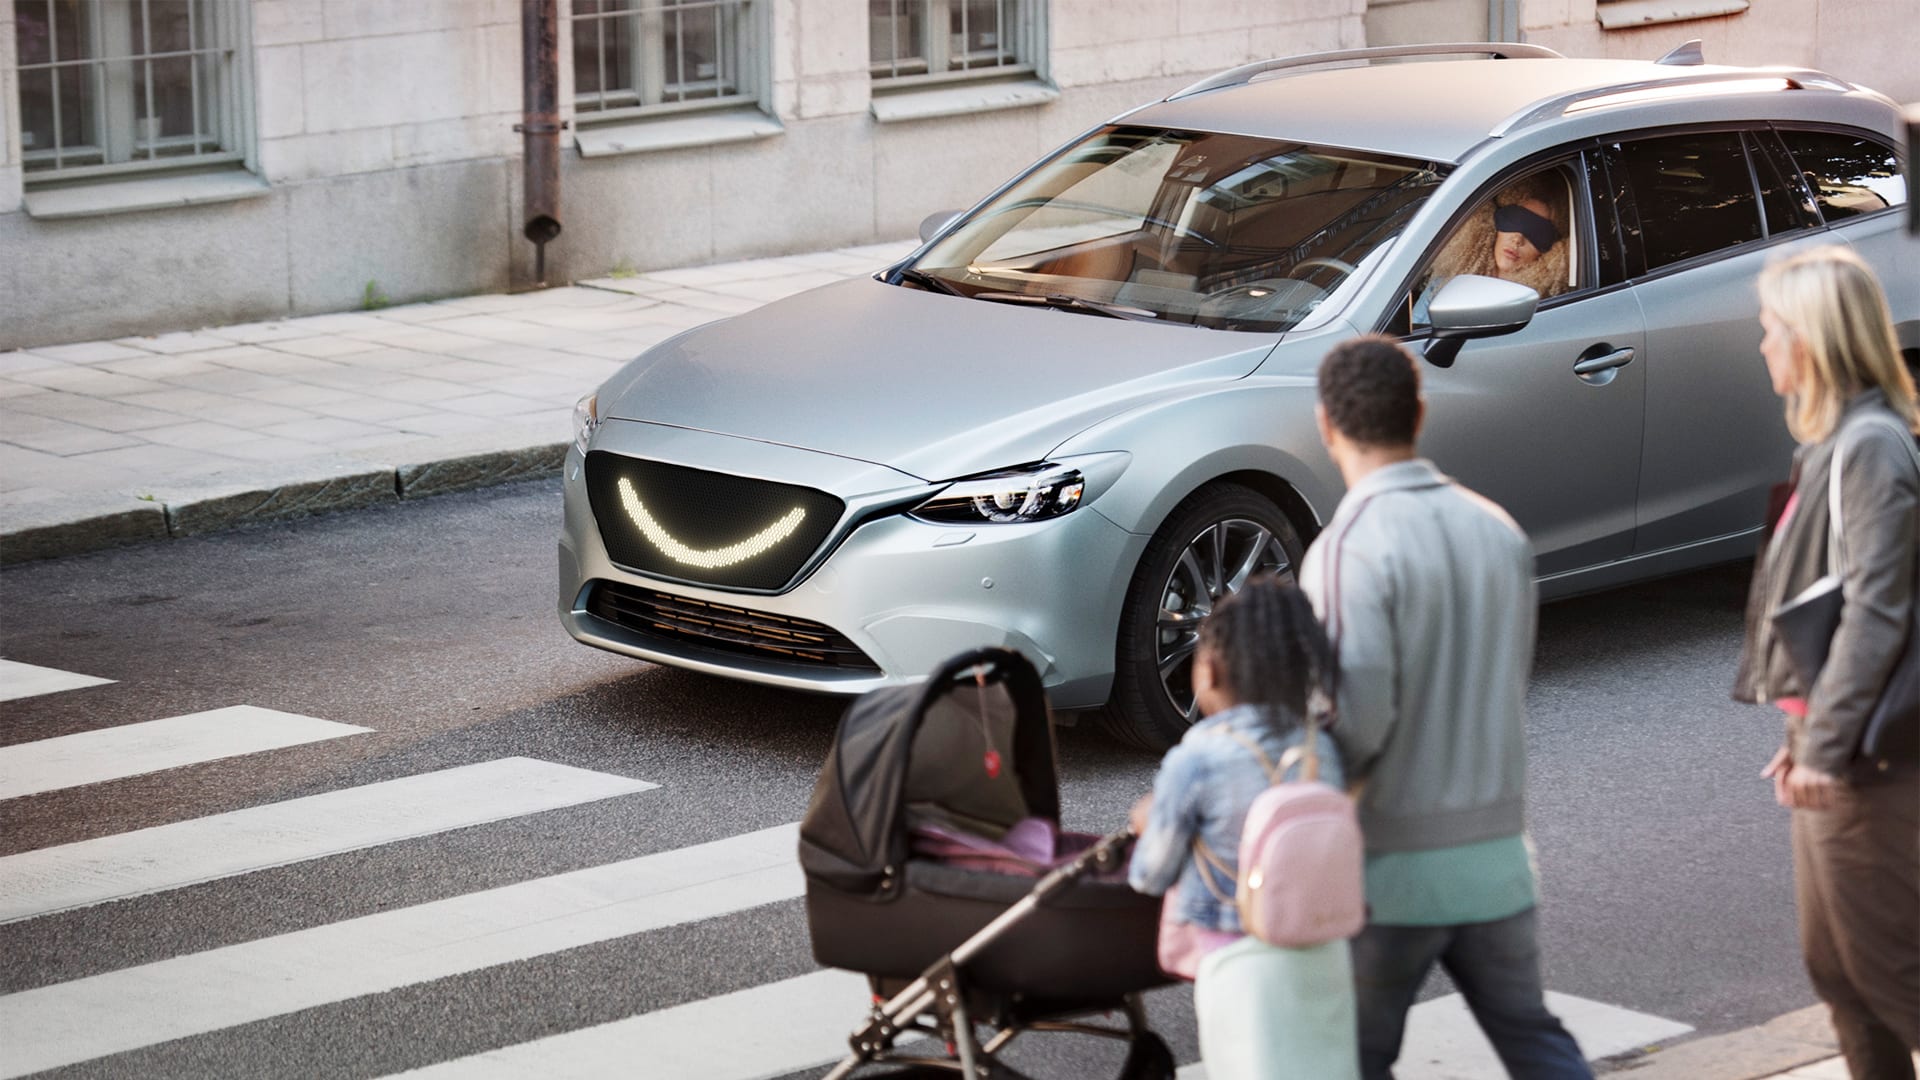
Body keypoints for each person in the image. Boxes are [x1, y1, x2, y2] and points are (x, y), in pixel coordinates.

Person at [1300, 335, 1591, 1079]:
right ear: (1418, 413)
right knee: (1533, 1036)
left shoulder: (1346, 550)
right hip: (1497, 858)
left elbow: (1353, 722)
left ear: (1327, 424)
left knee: (1350, 1058)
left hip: (1392, 868)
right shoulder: (1497, 530)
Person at [1733, 245, 1920, 1079]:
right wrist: (1803, 728)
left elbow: (1879, 608)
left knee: (1892, 978)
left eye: (1771, 329)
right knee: (1841, 973)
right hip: (1835, 745)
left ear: (1809, 340)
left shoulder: (1872, 446)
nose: (1763, 345)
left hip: (1871, 762)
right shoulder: (1836, 443)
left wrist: (1828, 740)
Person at [1127, 576, 1358, 1080]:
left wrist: (1149, 822)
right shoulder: (1325, 749)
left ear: (1208, 670)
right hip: (1324, 949)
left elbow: (1149, 875)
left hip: (1238, 958)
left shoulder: (1200, 756)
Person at [1413, 172, 1572, 323]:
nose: (1517, 239)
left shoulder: (1536, 311)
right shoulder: (1444, 285)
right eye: (1514, 220)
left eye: (1537, 232)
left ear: (1550, 251)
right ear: (1494, 225)